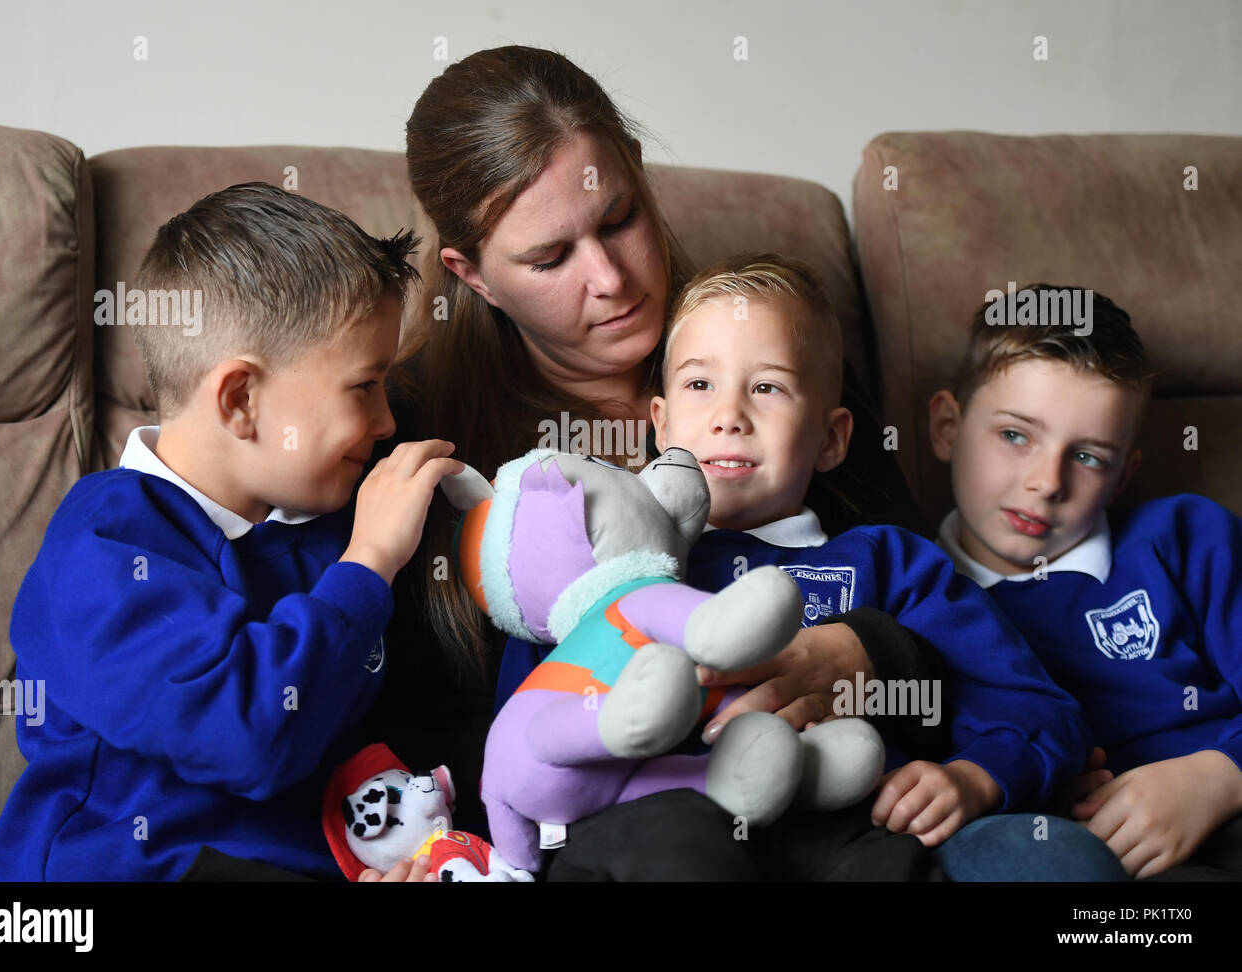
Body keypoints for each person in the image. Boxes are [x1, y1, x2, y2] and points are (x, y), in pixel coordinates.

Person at [370, 45, 952, 879]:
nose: (609, 278)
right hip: (613, 829)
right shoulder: (418, 432)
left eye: (618, 220)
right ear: (473, 276)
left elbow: (942, 603)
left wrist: (864, 654)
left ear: (639, 173)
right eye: (550, 258)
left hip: (821, 795)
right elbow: (412, 723)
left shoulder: (764, 350)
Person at [0, 183, 460, 881]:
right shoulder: (107, 546)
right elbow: (252, 736)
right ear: (241, 400)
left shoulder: (324, 517)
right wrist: (368, 564)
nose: (387, 420)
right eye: (364, 387)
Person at [637, 252, 1123, 879]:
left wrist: (974, 780)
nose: (729, 415)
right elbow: (544, 698)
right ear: (660, 421)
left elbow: (1037, 706)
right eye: (700, 385)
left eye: (767, 387)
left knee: (1060, 860)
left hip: (875, 836)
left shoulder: (889, 561)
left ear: (832, 438)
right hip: (693, 836)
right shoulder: (629, 558)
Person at [930, 283, 1242, 879]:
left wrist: (1218, 777)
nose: (1048, 482)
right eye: (1015, 435)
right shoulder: (914, 592)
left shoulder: (1186, 538)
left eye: (1089, 457)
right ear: (947, 426)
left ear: (1123, 477)